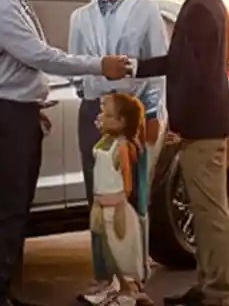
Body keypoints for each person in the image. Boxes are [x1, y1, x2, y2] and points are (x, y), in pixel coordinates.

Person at [0, 0, 129, 306]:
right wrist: (99, 66)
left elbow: (22, 65)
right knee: (7, 207)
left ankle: (8, 289)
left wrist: (32, 105)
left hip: (19, 111)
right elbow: (39, 56)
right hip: (6, 114)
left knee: (16, 207)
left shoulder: (14, 0)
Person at [117, 0, 229, 306]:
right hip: (205, 124)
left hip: (204, 127)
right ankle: (206, 285)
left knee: (211, 212)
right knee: (204, 212)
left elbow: (197, 75)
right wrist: (136, 66)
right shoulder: (204, 5)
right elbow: (178, 62)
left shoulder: (201, 9)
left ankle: (218, 291)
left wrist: (179, 123)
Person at [70, 0, 168, 305]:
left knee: (131, 195)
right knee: (98, 197)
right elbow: (76, 62)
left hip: (132, 111)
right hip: (94, 110)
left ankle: (133, 279)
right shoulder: (80, 17)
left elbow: (157, 64)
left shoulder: (145, 10)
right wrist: (92, 93)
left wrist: (154, 113)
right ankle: (103, 278)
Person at [89, 92, 152, 306]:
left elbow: (127, 179)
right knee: (108, 251)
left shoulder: (123, 146)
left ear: (121, 121)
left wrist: (120, 203)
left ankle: (131, 292)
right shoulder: (105, 142)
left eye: (106, 115)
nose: (100, 118)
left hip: (117, 210)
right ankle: (113, 288)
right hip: (102, 207)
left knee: (122, 250)